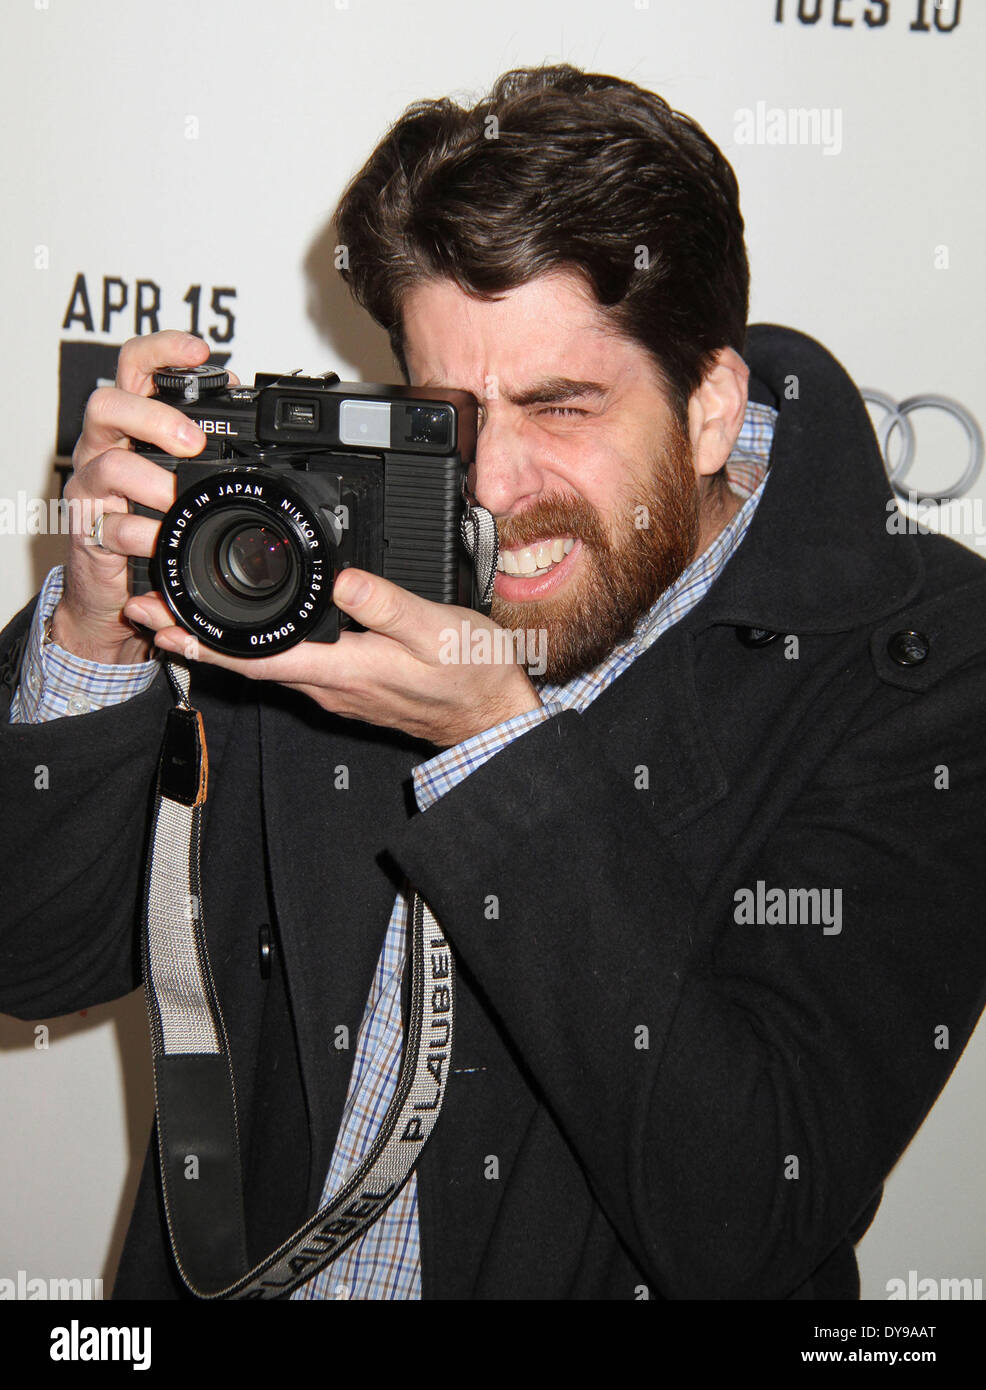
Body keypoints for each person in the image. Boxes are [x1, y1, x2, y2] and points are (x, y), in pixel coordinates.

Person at [1, 63, 985, 1301]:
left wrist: (493, 747)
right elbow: (32, 964)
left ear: (708, 409)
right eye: (445, 414)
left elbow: (751, 1215)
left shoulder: (925, 661)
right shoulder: (327, 549)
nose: (494, 485)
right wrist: (92, 630)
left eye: (559, 405)